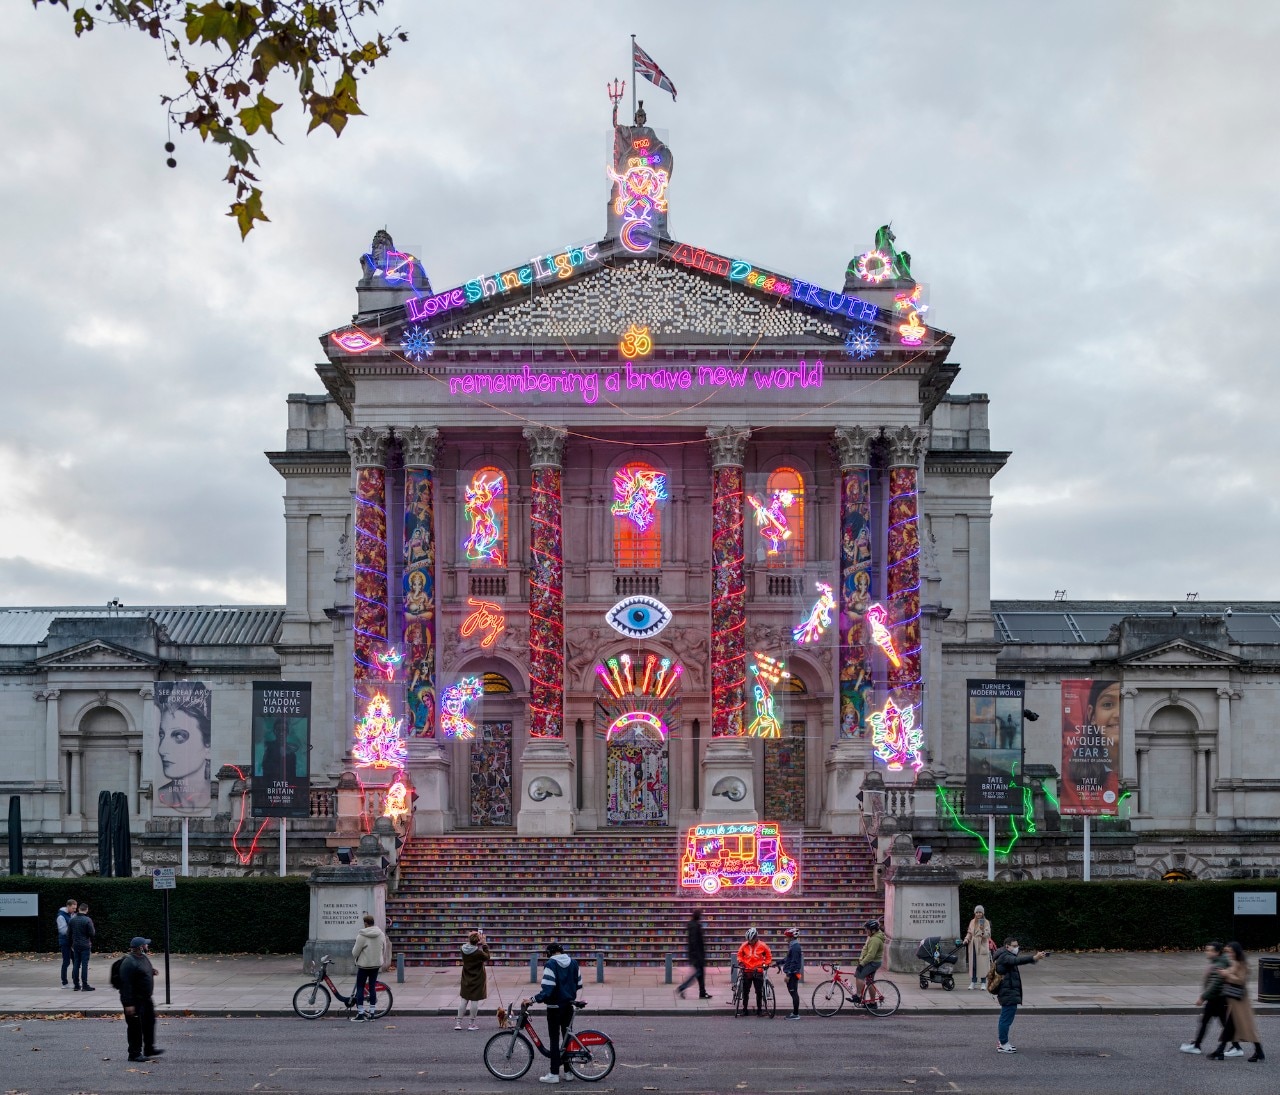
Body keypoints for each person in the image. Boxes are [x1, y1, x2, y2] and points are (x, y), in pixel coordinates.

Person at [522, 942, 582, 1085]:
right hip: (568, 1005)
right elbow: (578, 984)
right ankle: (568, 1072)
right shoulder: (573, 963)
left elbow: (548, 989)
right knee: (566, 1039)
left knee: (554, 1041)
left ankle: (554, 1073)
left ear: (550, 953)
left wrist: (532, 1000)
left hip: (555, 1007)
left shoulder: (551, 964)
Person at [156, 690, 212, 811]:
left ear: (208, 747)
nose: (161, 749)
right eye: (161, 735)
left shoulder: (217, 800)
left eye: (179, 736)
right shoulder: (158, 797)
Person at [1208, 942, 1265, 1062]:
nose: (1229, 954)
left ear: (1236, 951)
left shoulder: (1242, 964)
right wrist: (1224, 973)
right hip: (1234, 1001)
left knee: (1247, 1027)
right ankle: (1220, 1051)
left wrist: (1226, 974)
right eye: (1227, 951)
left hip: (1241, 1001)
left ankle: (1259, 1051)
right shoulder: (1234, 962)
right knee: (1229, 1027)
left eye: (1231, 951)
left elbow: (1240, 980)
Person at [991, 936, 1049, 1052]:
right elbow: (1017, 961)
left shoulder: (1006, 954)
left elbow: (1017, 960)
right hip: (1008, 992)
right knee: (1006, 1019)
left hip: (1009, 990)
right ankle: (1003, 1043)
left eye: (1017, 946)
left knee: (1007, 1018)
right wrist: (1033, 957)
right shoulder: (1005, 956)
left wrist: (1035, 959)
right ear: (1007, 946)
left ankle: (1003, 1041)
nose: (1017, 948)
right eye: (1014, 946)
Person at [1181, 941, 1235, 1055]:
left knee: (1206, 1022)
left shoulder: (1219, 964)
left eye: (1210, 950)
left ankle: (1197, 1046)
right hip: (1218, 998)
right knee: (1222, 1023)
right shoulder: (1218, 961)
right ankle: (1236, 1047)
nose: (1207, 952)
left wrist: (1203, 997)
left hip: (1216, 998)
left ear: (1217, 952)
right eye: (1207, 949)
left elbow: (1216, 983)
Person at [118, 937, 163, 1062]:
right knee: (135, 1027)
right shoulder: (128, 962)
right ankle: (134, 1053)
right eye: (145, 945)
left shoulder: (142, 958)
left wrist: (151, 971)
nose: (147, 946)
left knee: (150, 1022)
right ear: (140, 948)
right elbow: (125, 984)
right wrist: (128, 1004)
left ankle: (149, 1048)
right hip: (134, 1000)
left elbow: (143, 969)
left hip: (146, 999)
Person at [349, 913, 391, 1021]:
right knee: (372, 987)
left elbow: (354, 953)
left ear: (366, 924)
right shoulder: (381, 934)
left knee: (360, 988)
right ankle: (372, 1013)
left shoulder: (362, 936)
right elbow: (384, 949)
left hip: (364, 966)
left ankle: (361, 1014)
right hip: (376, 965)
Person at [457, 930, 490, 1030]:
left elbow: (469, 946)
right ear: (478, 941)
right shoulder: (478, 953)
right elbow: (487, 957)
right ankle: (471, 1024)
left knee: (464, 999)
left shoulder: (462, 949)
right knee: (474, 1000)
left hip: (466, 977)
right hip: (477, 978)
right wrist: (484, 944)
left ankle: (458, 1023)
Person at [736, 927, 772, 1017]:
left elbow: (768, 956)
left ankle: (759, 1010)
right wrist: (740, 962)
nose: (750, 942)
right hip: (747, 970)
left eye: (751, 940)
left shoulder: (763, 945)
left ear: (756, 938)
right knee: (745, 991)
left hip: (758, 970)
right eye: (748, 940)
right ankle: (745, 1010)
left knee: (759, 991)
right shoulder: (744, 945)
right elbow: (739, 954)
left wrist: (766, 964)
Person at [677, 910, 711, 999]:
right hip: (697, 955)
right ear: (698, 916)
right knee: (697, 974)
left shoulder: (692, 925)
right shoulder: (695, 926)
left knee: (701, 974)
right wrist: (699, 956)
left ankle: (702, 993)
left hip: (695, 954)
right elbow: (695, 942)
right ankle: (682, 987)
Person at [963, 905, 994, 990]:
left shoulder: (986, 922)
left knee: (983, 964)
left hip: (982, 944)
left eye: (980, 912)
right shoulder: (972, 921)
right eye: (977, 912)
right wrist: (966, 939)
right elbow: (969, 932)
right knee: (973, 964)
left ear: (983, 913)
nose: (978, 914)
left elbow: (988, 935)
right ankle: (973, 982)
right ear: (975, 913)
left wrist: (982, 930)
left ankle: (983, 982)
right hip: (973, 945)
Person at [854, 919, 886, 1002]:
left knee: (859, 975)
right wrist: (861, 959)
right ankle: (872, 1003)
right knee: (869, 982)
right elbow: (866, 948)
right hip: (874, 961)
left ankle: (858, 996)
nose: (866, 931)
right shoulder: (872, 936)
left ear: (873, 930)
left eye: (867, 929)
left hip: (873, 962)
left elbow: (871, 956)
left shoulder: (875, 940)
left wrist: (862, 964)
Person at [68, 901, 96, 991]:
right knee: (84, 964)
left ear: (79, 909)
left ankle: (76, 985)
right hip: (85, 945)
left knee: (76, 964)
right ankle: (85, 985)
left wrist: (71, 943)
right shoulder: (88, 920)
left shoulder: (72, 920)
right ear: (86, 910)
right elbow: (92, 933)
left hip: (75, 945)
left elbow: (68, 934)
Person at [781, 927, 803, 1020]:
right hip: (793, 973)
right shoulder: (793, 946)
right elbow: (788, 959)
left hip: (793, 974)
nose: (785, 939)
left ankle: (795, 1014)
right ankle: (795, 1013)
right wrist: (778, 963)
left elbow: (793, 962)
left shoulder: (795, 947)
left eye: (787, 937)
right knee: (793, 993)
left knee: (794, 993)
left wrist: (788, 975)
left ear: (791, 937)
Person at [56, 898, 78, 988]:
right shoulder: (61, 916)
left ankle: (75, 981)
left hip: (72, 942)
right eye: (73, 908)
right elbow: (63, 930)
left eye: (75, 908)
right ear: (68, 906)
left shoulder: (72, 915)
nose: (74, 910)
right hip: (65, 942)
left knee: (75, 961)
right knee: (66, 962)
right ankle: (64, 983)